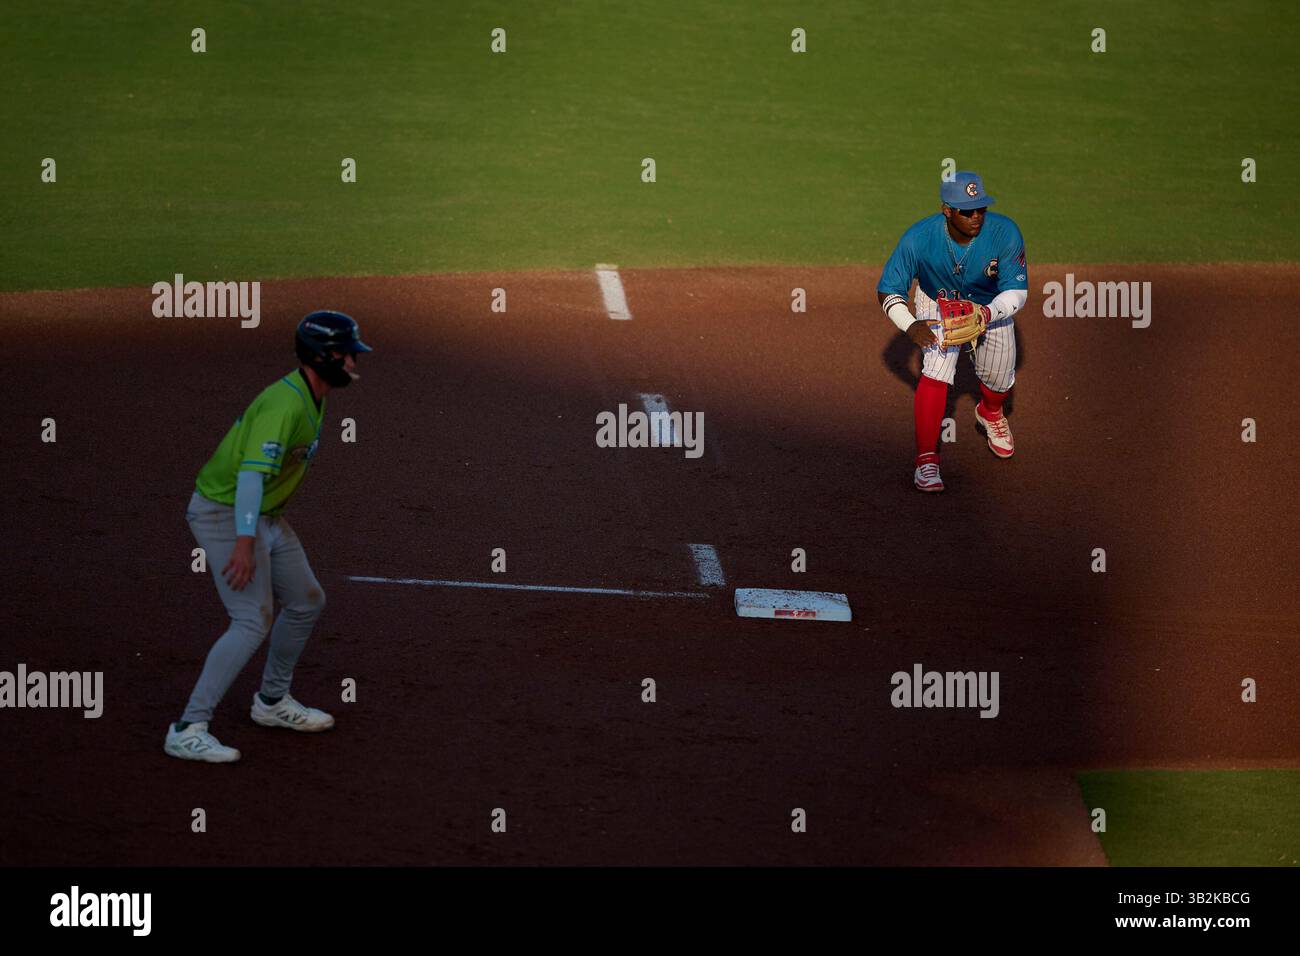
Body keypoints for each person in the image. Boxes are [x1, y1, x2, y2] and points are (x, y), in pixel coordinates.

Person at [165, 311, 372, 762]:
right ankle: (187, 727)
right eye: (347, 353)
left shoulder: (313, 395)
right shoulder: (286, 404)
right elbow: (249, 477)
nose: (354, 361)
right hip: (228, 512)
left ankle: (272, 702)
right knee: (250, 620)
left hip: (263, 516)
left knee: (306, 600)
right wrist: (244, 542)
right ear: (323, 356)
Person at [876, 171, 1028, 491]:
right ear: (947, 210)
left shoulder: (1004, 233)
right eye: (967, 211)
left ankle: (990, 413)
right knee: (936, 370)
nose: (976, 217)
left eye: (981, 208)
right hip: (937, 302)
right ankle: (926, 461)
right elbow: (888, 290)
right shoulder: (919, 238)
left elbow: (1017, 293)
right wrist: (911, 325)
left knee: (1000, 377)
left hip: (990, 306)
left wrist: (987, 313)